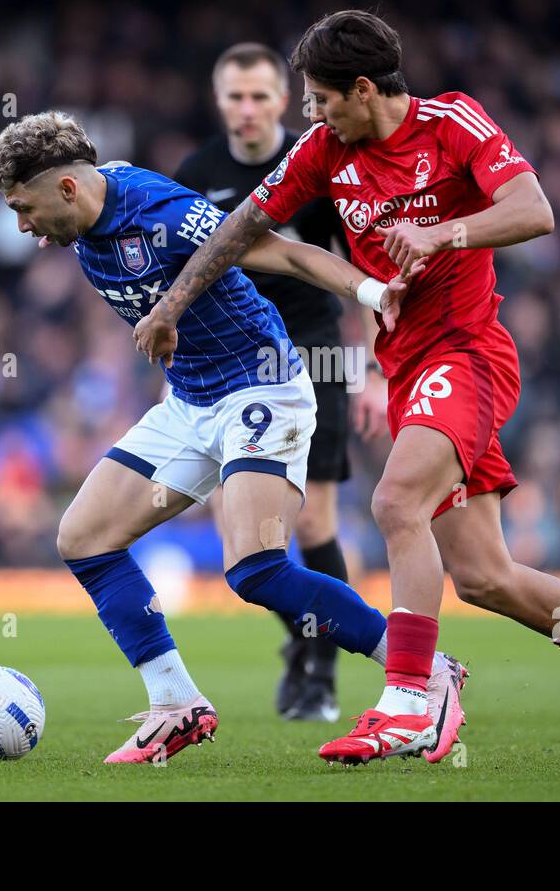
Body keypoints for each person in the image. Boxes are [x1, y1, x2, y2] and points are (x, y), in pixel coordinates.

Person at [135, 11, 560, 765]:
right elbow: (239, 228)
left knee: (395, 502)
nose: (313, 113)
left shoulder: (454, 122)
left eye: (323, 99)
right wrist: (169, 307)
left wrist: (444, 233)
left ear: (363, 90)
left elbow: (536, 211)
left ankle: (409, 699)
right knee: (486, 579)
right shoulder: (323, 151)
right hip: (409, 370)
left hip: (468, 355)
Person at [0, 109, 465, 765]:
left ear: (67, 188)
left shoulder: (163, 212)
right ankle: (176, 703)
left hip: (262, 390)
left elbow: (284, 250)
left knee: (256, 570)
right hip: (190, 400)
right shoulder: (84, 218)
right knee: (84, 539)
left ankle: (427, 669)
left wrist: (371, 290)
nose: (24, 228)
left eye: (23, 208)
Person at [174, 42, 352, 722]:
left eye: (259, 96)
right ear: (219, 101)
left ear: (285, 100)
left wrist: (373, 372)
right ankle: (307, 645)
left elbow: (351, 263)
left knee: (317, 521)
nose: (246, 109)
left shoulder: (317, 165)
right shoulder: (197, 172)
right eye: (234, 96)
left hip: (314, 350)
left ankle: (322, 676)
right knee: (249, 535)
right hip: (234, 356)